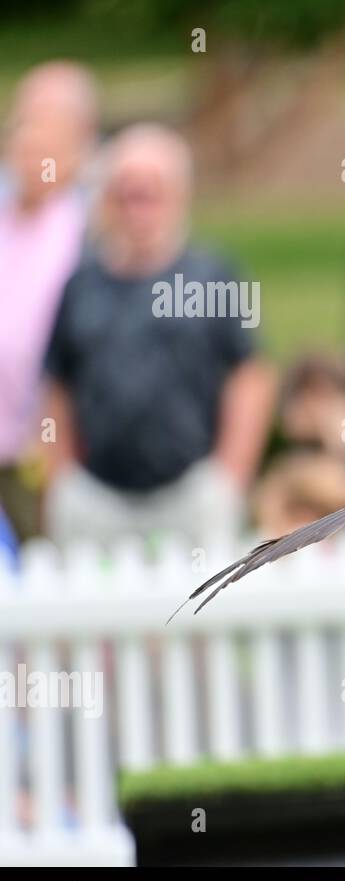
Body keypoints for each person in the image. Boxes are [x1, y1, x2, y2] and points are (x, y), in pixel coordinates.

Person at [40, 124, 276, 546]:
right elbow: (56, 382)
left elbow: (251, 376)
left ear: (179, 195)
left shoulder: (214, 277)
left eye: (151, 193)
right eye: (126, 193)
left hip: (191, 494)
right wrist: (62, 477)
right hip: (96, 499)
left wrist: (229, 476)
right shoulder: (80, 284)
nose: (137, 208)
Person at [0, 61, 99, 540]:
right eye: (22, 145)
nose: (29, 159)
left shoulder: (86, 226)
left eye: (44, 149)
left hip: (44, 441)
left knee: (40, 556)